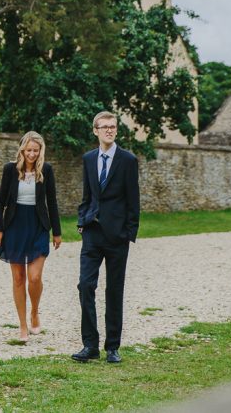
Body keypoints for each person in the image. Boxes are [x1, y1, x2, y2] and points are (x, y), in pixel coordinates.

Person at [72, 111, 139, 365]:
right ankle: (90, 345)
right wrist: (82, 221)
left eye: (113, 127)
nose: (109, 130)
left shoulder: (128, 160)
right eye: (104, 127)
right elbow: (87, 195)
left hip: (117, 236)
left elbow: (134, 200)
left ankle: (113, 347)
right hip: (92, 232)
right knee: (85, 286)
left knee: (114, 291)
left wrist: (128, 234)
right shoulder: (89, 158)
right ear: (95, 131)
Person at [0, 131, 62, 342]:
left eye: (36, 150)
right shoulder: (10, 169)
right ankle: (22, 325)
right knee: (18, 278)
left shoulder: (46, 170)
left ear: (41, 151)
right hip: (14, 225)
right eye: (29, 150)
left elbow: (52, 202)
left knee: (34, 277)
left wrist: (57, 232)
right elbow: (0, 202)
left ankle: (35, 311)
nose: (32, 154)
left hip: (38, 225)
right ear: (22, 149)